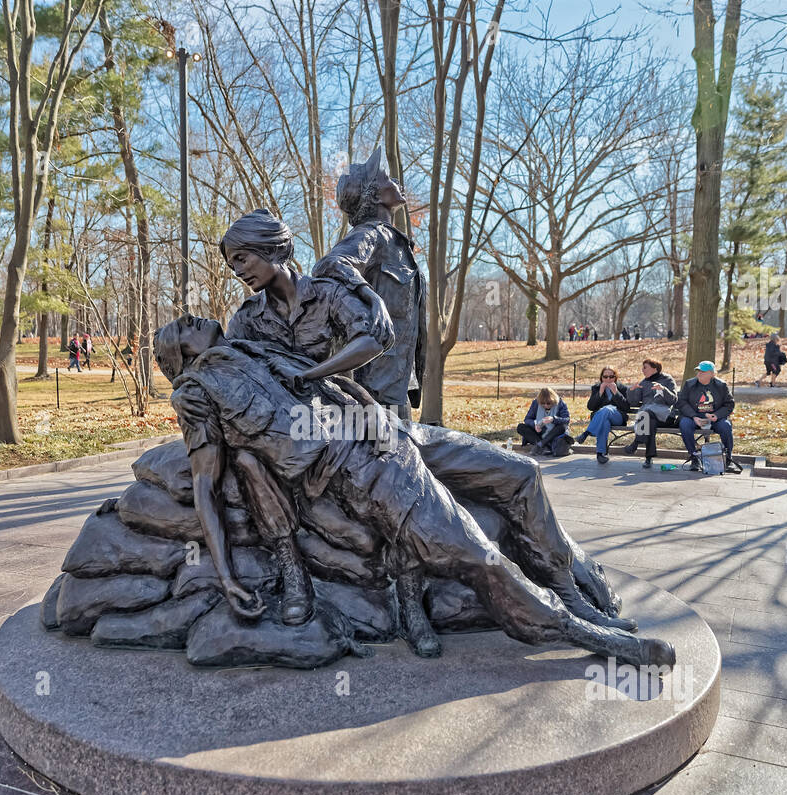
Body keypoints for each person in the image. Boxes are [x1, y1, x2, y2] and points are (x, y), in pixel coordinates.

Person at [154, 315, 669, 668]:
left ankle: (572, 592)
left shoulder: (251, 345)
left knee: (522, 474)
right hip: (362, 467)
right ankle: (590, 637)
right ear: (180, 355)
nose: (192, 320)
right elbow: (206, 484)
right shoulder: (195, 392)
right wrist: (225, 576)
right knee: (479, 558)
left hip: (391, 430)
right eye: (181, 328)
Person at [196, 209, 624, 627]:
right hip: (324, 451)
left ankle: (566, 586)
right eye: (231, 262)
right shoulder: (246, 323)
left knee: (522, 471)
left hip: (373, 425)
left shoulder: (326, 295)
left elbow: (375, 337)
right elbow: (236, 387)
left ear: (272, 248)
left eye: (242, 258)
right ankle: (299, 577)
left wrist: (312, 372)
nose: (236, 271)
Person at [311, 147, 426, 419]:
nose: (396, 182)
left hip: (396, 385)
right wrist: (370, 296)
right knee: (391, 459)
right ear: (375, 194)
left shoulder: (397, 244)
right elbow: (329, 264)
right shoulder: (371, 235)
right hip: (373, 390)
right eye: (388, 178)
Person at [677, 361, 741, 474]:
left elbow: (729, 404)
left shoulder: (721, 385)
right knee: (684, 424)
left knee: (726, 426)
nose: (699, 374)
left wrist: (717, 415)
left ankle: (728, 458)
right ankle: (694, 457)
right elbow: (682, 403)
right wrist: (694, 417)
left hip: (714, 417)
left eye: (703, 372)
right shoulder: (689, 384)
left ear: (712, 374)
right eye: (698, 371)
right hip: (694, 417)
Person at [623, 358, 678, 468]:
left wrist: (663, 390)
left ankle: (636, 444)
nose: (642, 370)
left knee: (646, 415)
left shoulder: (668, 380)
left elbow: (673, 400)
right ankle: (648, 457)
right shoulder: (643, 382)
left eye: (645, 367)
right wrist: (631, 390)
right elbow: (633, 402)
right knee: (649, 421)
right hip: (649, 418)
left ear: (654, 368)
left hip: (666, 417)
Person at [575, 367, 629, 464]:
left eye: (611, 377)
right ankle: (601, 454)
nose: (608, 379)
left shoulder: (622, 388)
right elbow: (591, 407)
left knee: (606, 409)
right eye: (605, 377)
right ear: (601, 378)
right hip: (602, 418)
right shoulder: (596, 388)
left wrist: (616, 392)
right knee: (604, 422)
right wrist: (600, 392)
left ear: (615, 377)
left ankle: (586, 433)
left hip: (617, 416)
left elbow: (626, 408)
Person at [517, 387, 572, 458]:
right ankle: (545, 447)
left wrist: (553, 419)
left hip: (554, 432)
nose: (545, 405)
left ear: (553, 400)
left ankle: (540, 445)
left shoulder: (560, 403)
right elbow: (527, 419)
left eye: (548, 403)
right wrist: (535, 424)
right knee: (521, 427)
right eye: (542, 403)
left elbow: (566, 419)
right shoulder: (535, 403)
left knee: (562, 426)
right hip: (540, 431)